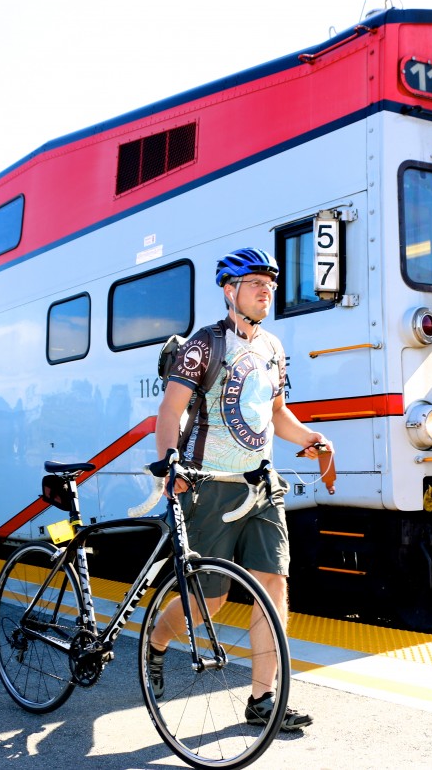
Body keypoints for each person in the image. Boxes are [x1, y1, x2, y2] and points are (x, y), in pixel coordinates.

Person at [146, 246, 333, 731]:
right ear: (230, 292)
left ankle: (263, 700)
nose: (265, 292)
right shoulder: (203, 346)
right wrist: (171, 461)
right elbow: (170, 411)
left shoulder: (272, 348)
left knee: (273, 588)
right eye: (255, 285)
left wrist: (310, 437)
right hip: (209, 486)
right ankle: (156, 642)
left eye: (269, 286)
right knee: (209, 600)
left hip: (261, 485)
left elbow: (275, 415)